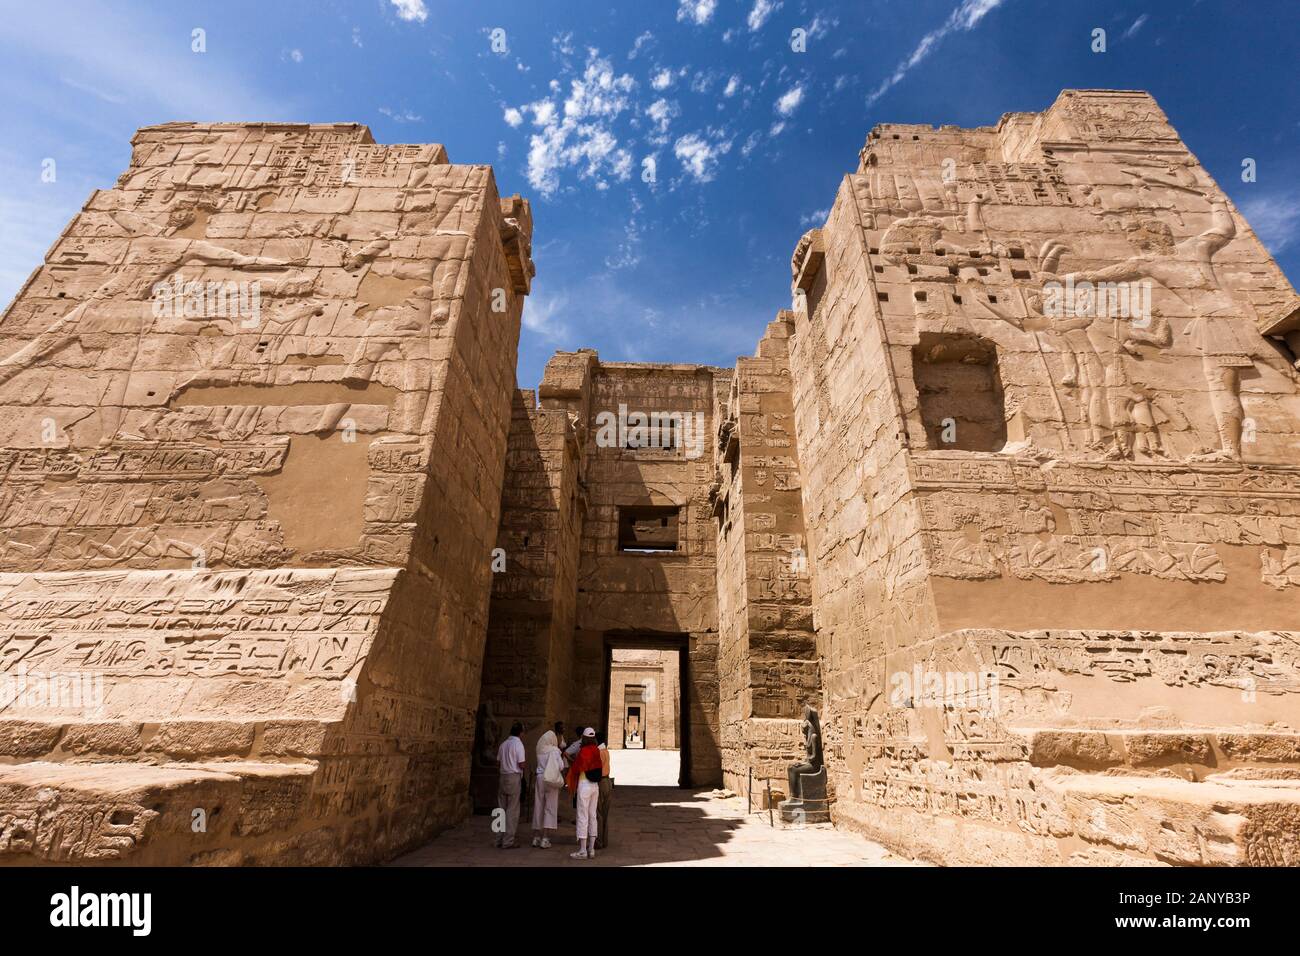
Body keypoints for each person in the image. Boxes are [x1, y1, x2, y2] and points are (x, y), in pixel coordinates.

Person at [566, 727, 602, 860]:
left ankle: (582, 850)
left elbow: (577, 768)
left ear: (584, 738)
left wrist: (572, 762)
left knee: (582, 816)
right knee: (592, 816)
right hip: (595, 786)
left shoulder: (583, 751)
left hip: (584, 784)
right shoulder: (597, 750)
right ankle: (591, 849)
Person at [495, 721, 526, 849]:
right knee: (512, 810)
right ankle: (508, 840)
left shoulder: (503, 744)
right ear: (520, 732)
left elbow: (498, 762)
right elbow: (521, 764)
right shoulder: (518, 745)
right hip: (513, 777)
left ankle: (498, 838)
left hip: (503, 776)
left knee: (501, 808)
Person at [531, 730, 563, 848]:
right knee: (550, 807)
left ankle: (536, 837)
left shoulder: (539, 750)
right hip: (550, 779)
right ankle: (545, 838)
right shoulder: (554, 751)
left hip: (540, 778)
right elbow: (561, 766)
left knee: (538, 806)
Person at [595, 730, 613, 851]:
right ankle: (604, 840)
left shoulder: (599, 752)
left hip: (600, 782)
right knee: (605, 814)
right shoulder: (606, 751)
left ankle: (599, 841)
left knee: (598, 813)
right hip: (608, 782)